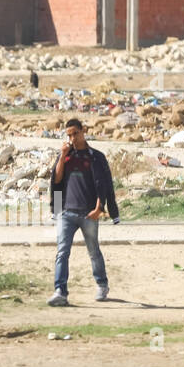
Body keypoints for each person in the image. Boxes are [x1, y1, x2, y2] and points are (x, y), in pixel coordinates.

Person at [48, 118, 119, 307]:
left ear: (83, 131)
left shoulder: (95, 156)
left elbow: (102, 185)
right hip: (66, 212)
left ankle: (102, 284)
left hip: (89, 214)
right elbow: (56, 180)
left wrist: (99, 209)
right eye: (69, 135)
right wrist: (62, 156)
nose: (72, 138)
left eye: (75, 133)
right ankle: (60, 291)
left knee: (93, 251)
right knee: (62, 252)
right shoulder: (66, 155)